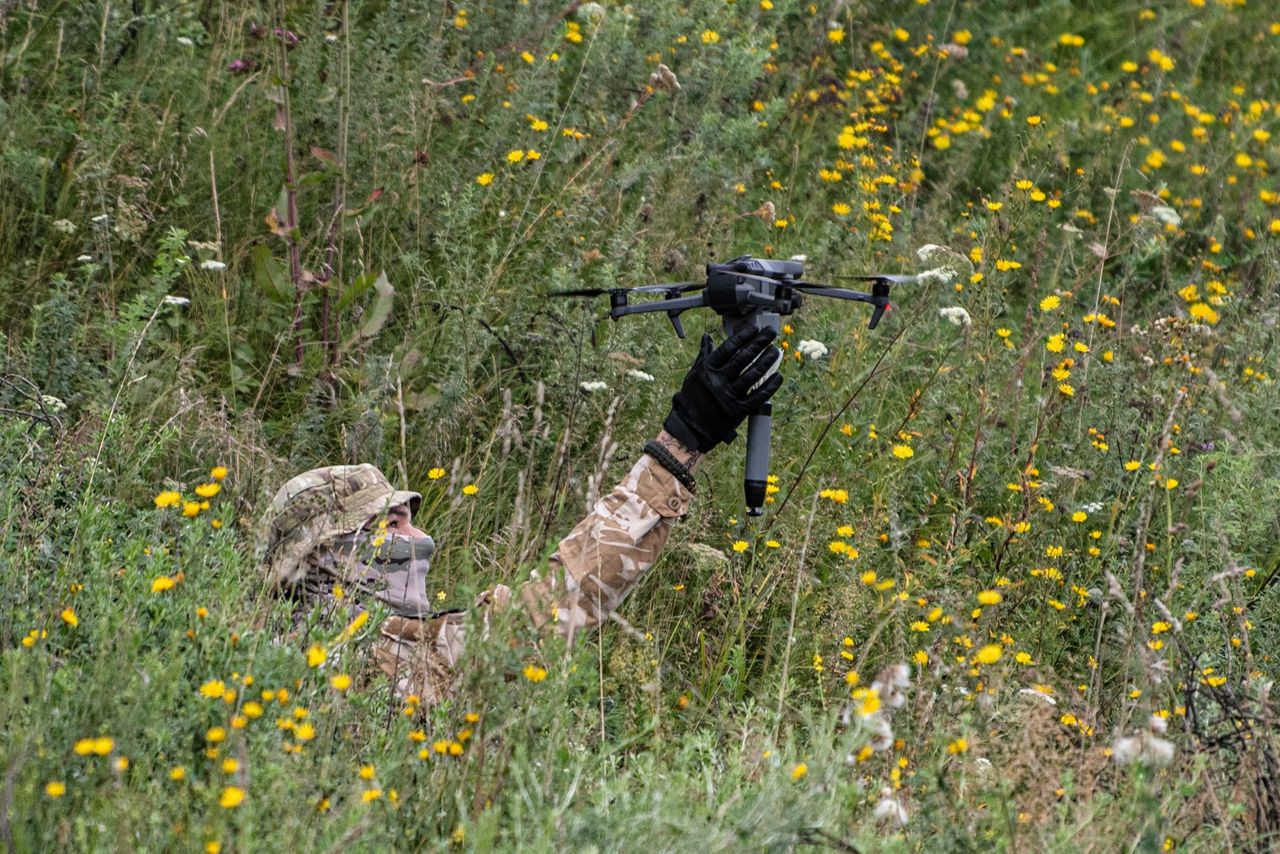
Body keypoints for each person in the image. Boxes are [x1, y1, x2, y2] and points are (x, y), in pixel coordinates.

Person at [258, 326, 784, 707]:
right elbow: (543, 614)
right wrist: (678, 446)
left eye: (410, 518)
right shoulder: (338, 658)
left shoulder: (323, 650)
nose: (421, 538)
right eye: (392, 524)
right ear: (325, 559)